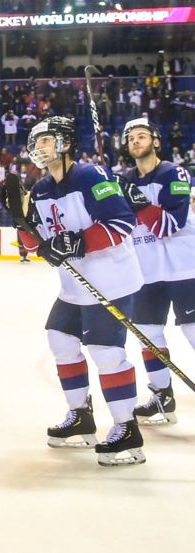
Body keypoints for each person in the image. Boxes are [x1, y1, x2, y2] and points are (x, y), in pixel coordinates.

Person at [16, 116, 145, 466]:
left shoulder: (91, 176)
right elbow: (36, 243)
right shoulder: (40, 189)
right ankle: (80, 418)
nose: (39, 147)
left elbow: (122, 222)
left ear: (66, 143)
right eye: (36, 142)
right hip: (74, 286)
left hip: (110, 281)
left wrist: (76, 242)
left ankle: (127, 430)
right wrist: (22, 223)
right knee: (60, 339)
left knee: (106, 353)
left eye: (46, 140)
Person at [118, 117, 195, 426]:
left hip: (185, 267)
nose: (136, 141)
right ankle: (162, 396)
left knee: (193, 331)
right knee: (147, 334)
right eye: (131, 138)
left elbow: (168, 225)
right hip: (147, 272)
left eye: (142, 136)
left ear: (156, 142)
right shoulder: (123, 180)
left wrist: (137, 203)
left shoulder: (175, 173)